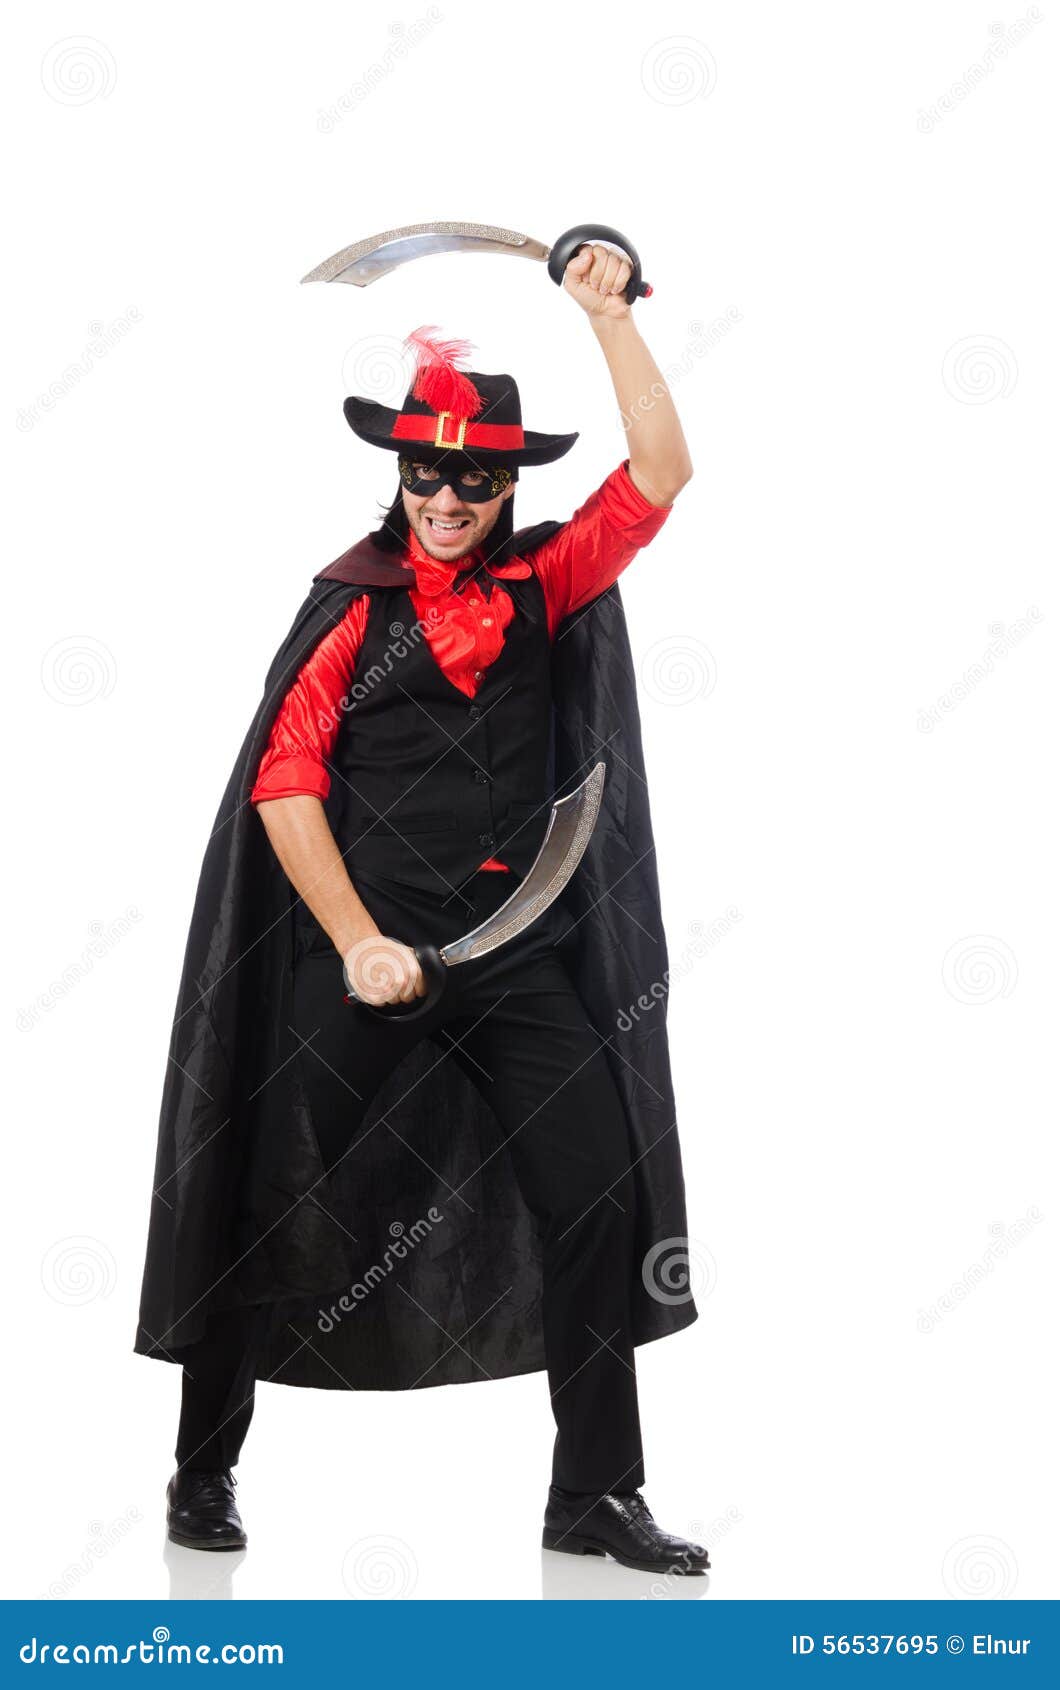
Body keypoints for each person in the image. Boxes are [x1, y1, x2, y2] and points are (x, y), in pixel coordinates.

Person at [138, 243, 708, 1574]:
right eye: (425, 471)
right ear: (398, 471)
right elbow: (285, 789)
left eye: (475, 474)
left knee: (597, 1202)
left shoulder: (547, 581)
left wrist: (606, 318)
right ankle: (199, 1471)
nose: (447, 496)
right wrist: (358, 941)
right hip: (367, 957)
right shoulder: (353, 607)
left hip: (519, 958)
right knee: (269, 1193)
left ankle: (593, 1497)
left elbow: (663, 475)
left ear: (511, 480)